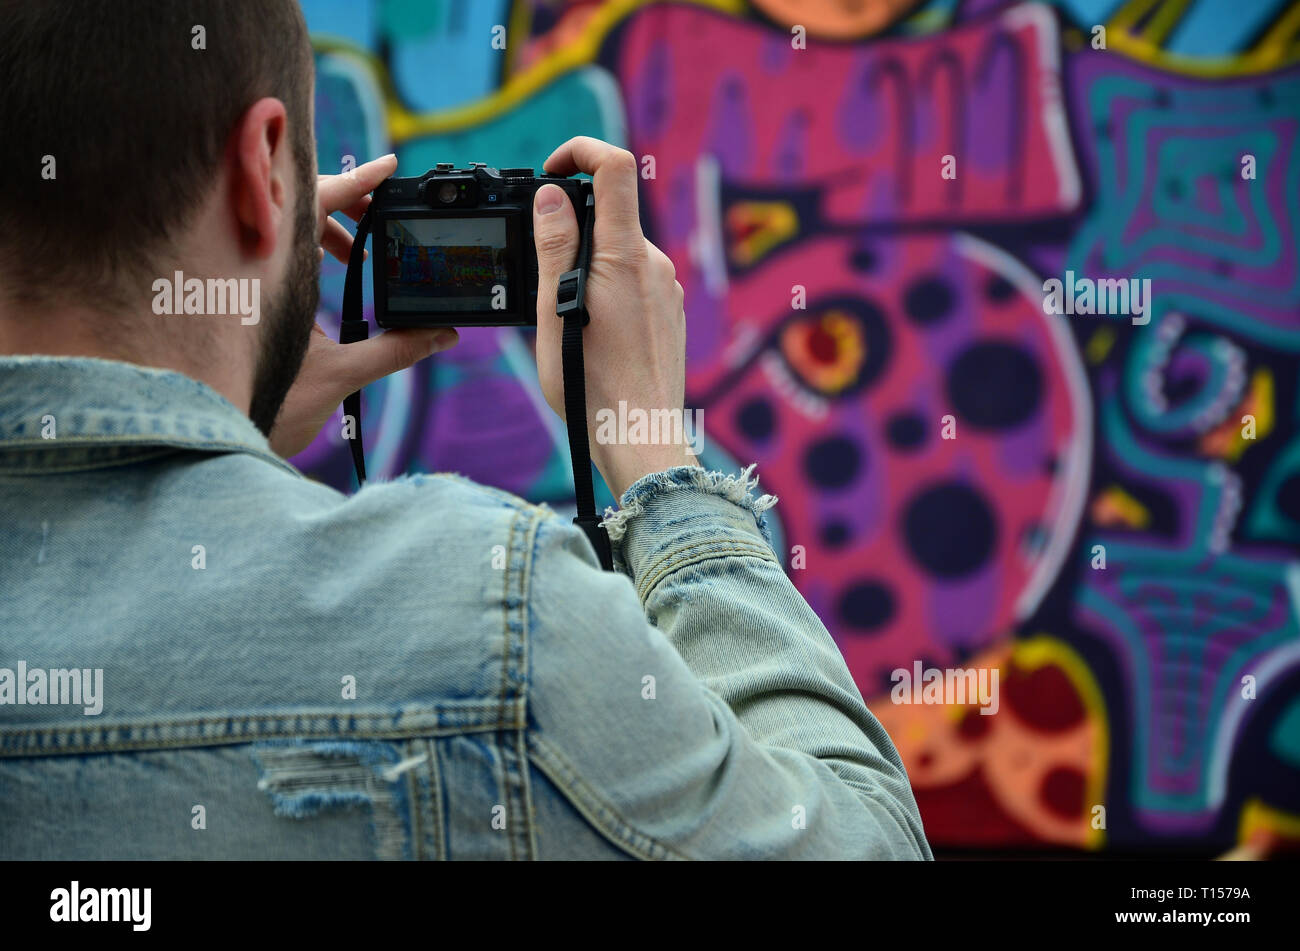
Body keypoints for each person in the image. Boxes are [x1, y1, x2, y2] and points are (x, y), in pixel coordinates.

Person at [0, 0, 931, 860]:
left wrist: (223, 412)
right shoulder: (494, 620)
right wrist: (657, 458)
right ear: (264, 166)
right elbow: (864, 842)